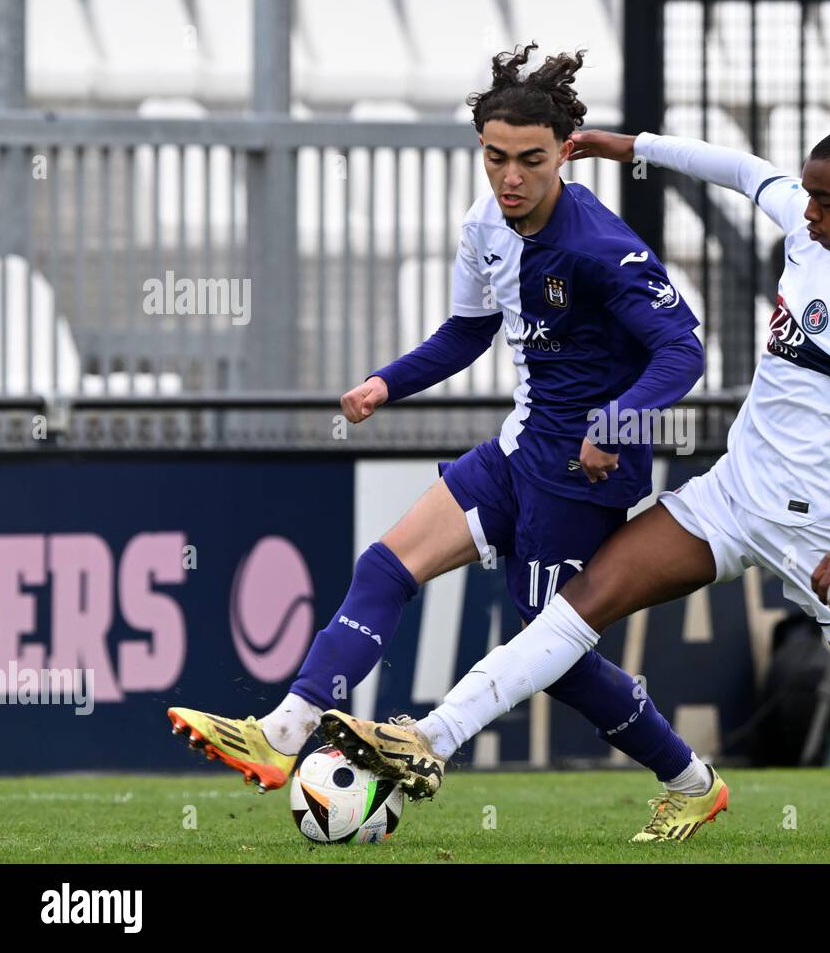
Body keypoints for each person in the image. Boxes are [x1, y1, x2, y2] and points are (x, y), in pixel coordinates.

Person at [321, 119, 830, 843]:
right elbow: (741, 170)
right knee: (578, 606)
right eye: (806, 195)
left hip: (820, 533)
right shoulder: (819, 236)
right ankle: (428, 740)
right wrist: (629, 147)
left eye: (825, 202)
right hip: (732, 497)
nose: (805, 213)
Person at [167, 44, 728, 843]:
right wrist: (385, 384)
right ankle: (284, 731)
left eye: (531, 161)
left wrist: (616, 422)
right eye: (495, 158)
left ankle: (690, 780)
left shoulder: (601, 248)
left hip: (582, 473)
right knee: (385, 565)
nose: (510, 178)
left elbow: (684, 352)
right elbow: (467, 332)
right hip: (517, 449)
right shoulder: (485, 226)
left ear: (566, 153)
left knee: (554, 652)